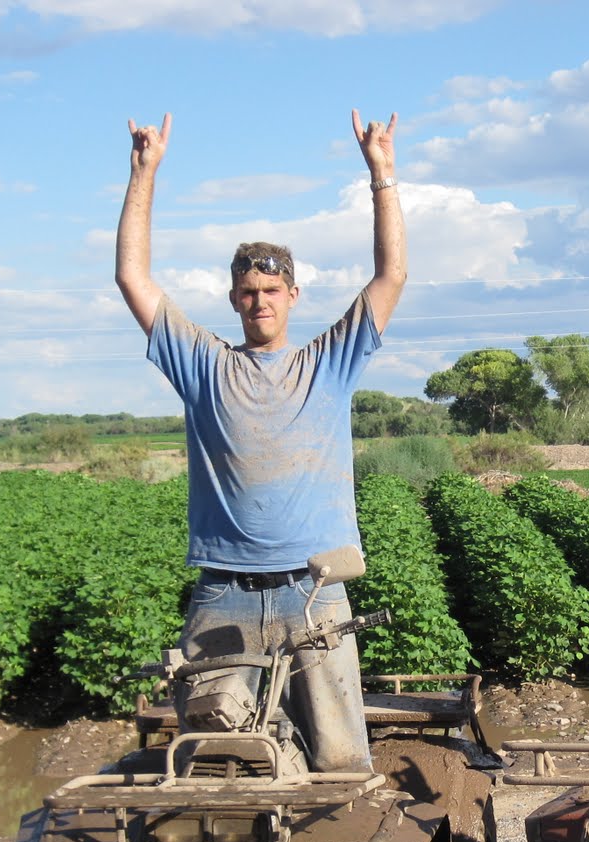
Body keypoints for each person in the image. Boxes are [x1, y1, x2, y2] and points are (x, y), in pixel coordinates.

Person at [115, 109, 406, 773]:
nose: (260, 302)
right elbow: (133, 279)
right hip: (224, 595)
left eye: (271, 289)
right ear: (233, 299)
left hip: (315, 594)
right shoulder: (204, 366)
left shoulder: (328, 365)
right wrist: (144, 173)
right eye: (248, 292)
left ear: (293, 293)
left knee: (340, 762)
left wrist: (381, 176)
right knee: (212, 756)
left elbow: (391, 277)